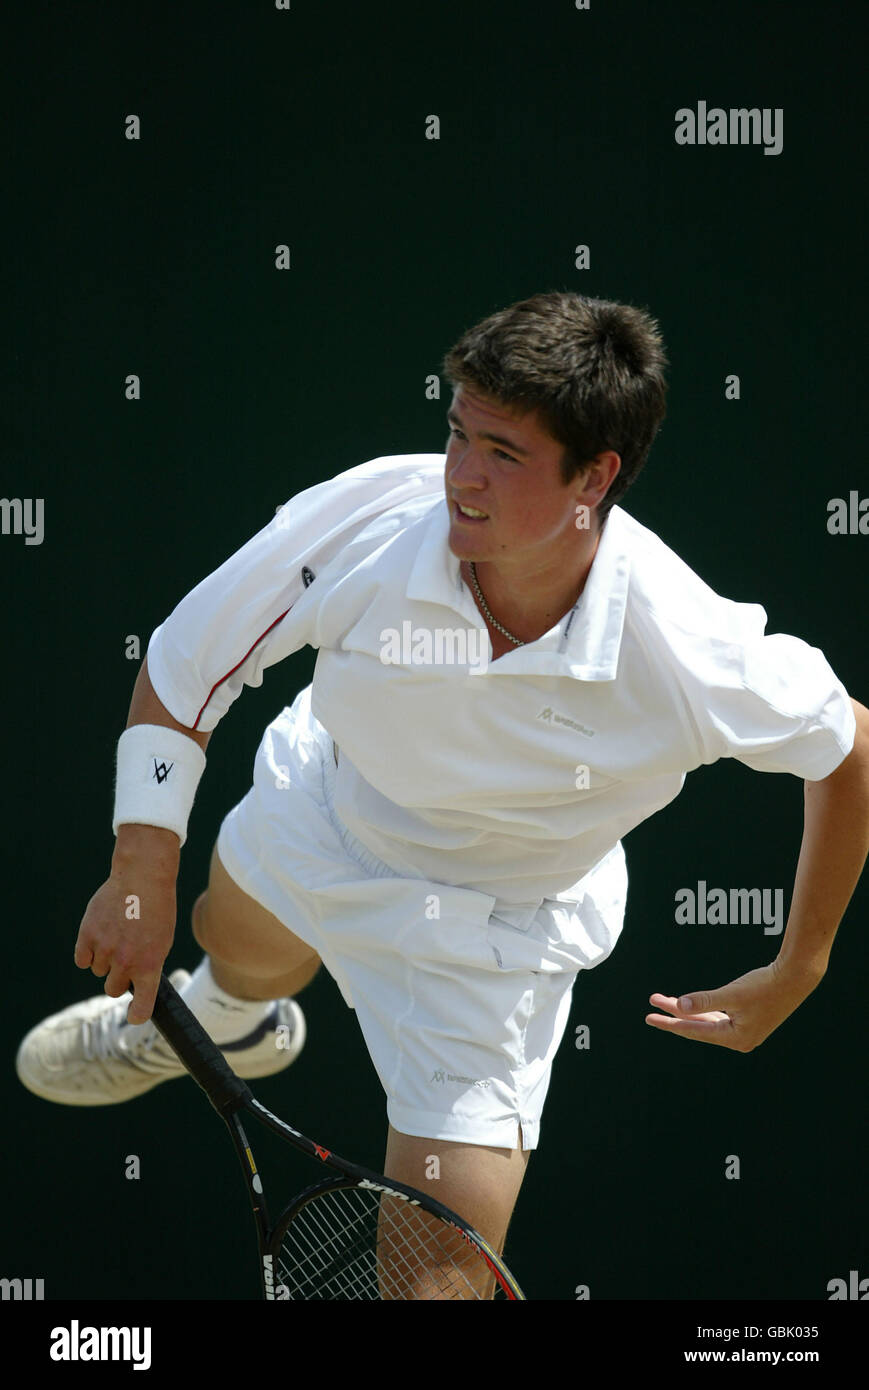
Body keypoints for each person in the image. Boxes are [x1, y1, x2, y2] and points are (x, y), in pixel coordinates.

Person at [17, 291, 869, 1278]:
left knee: (435, 1282)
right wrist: (138, 870)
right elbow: (186, 662)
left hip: (490, 948)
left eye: (502, 455)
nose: (460, 477)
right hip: (325, 811)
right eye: (457, 432)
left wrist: (798, 967)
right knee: (225, 937)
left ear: (595, 477)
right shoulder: (379, 511)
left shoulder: (683, 643)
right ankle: (220, 1019)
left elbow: (847, 747)